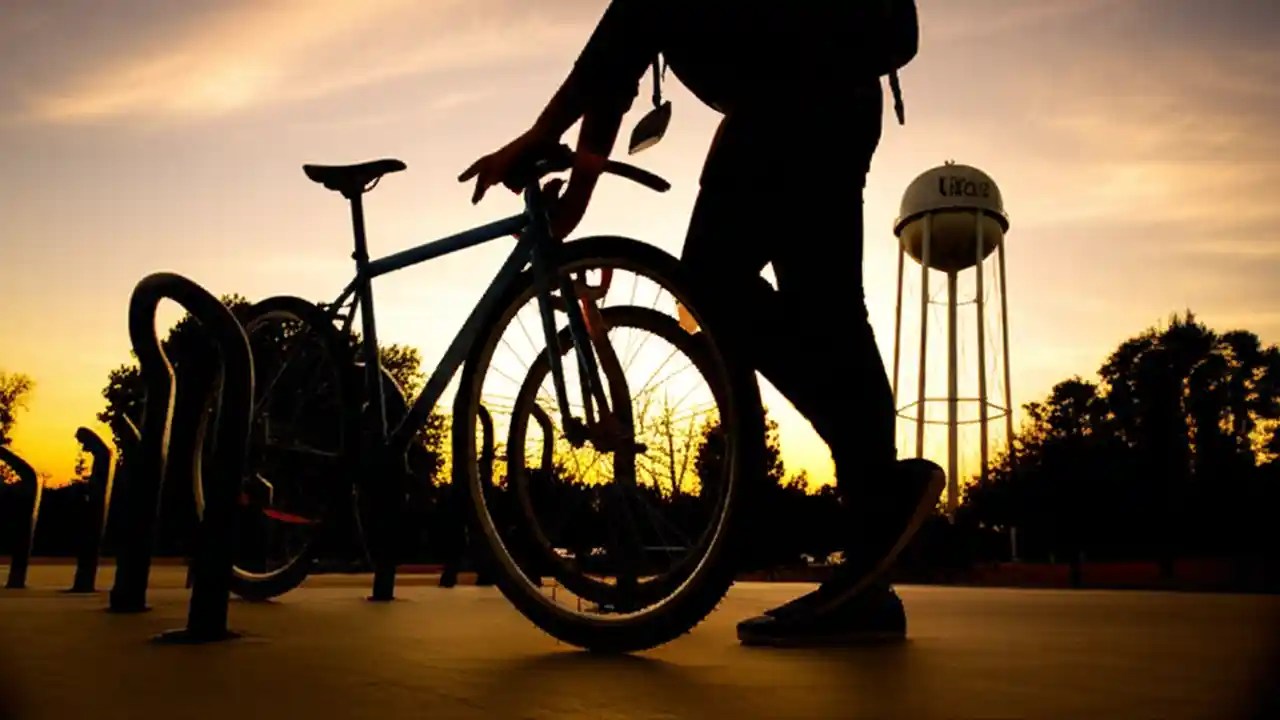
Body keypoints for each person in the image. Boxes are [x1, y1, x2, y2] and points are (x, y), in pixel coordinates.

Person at [458, 0, 944, 647]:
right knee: (827, 308)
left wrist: (545, 133)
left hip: (786, 98)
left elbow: (617, 47)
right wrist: (576, 192)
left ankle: (877, 493)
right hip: (840, 100)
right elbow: (620, 65)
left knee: (713, 292)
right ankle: (870, 571)